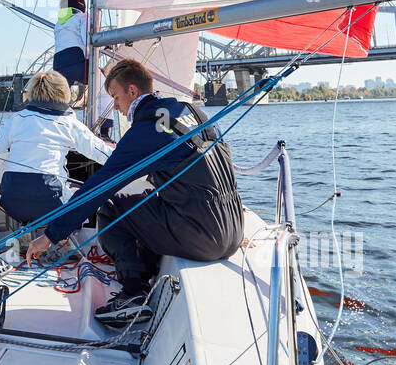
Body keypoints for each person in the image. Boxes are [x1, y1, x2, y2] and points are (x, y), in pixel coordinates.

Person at [26, 58, 245, 326]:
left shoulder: (147, 128)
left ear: (132, 91)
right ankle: (147, 270)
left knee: (112, 205)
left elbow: (101, 186)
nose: (115, 106)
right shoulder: (191, 111)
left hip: (204, 237)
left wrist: (50, 235)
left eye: (116, 97)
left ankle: (133, 294)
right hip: (233, 230)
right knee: (146, 201)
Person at [0, 70, 113, 230]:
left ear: (33, 92)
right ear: (63, 93)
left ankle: (26, 240)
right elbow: (103, 154)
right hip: (51, 202)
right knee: (83, 197)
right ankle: (65, 243)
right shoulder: (69, 123)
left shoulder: (16, 120)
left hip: (10, 202)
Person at [52, 0, 88, 92]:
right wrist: (104, 46)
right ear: (81, 5)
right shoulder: (83, 17)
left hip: (58, 65)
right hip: (77, 62)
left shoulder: (58, 24)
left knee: (62, 96)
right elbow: (89, 41)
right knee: (103, 85)